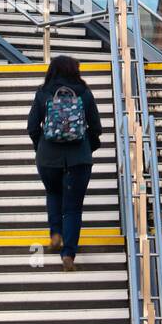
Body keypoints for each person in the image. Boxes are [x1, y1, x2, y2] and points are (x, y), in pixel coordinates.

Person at [27, 55, 103, 271]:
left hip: (48, 157)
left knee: (53, 193)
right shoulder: (84, 93)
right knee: (73, 208)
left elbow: (32, 126)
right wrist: (89, 146)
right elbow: (96, 127)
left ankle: (55, 233)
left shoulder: (43, 93)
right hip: (78, 158)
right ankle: (68, 253)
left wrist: (40, 145)